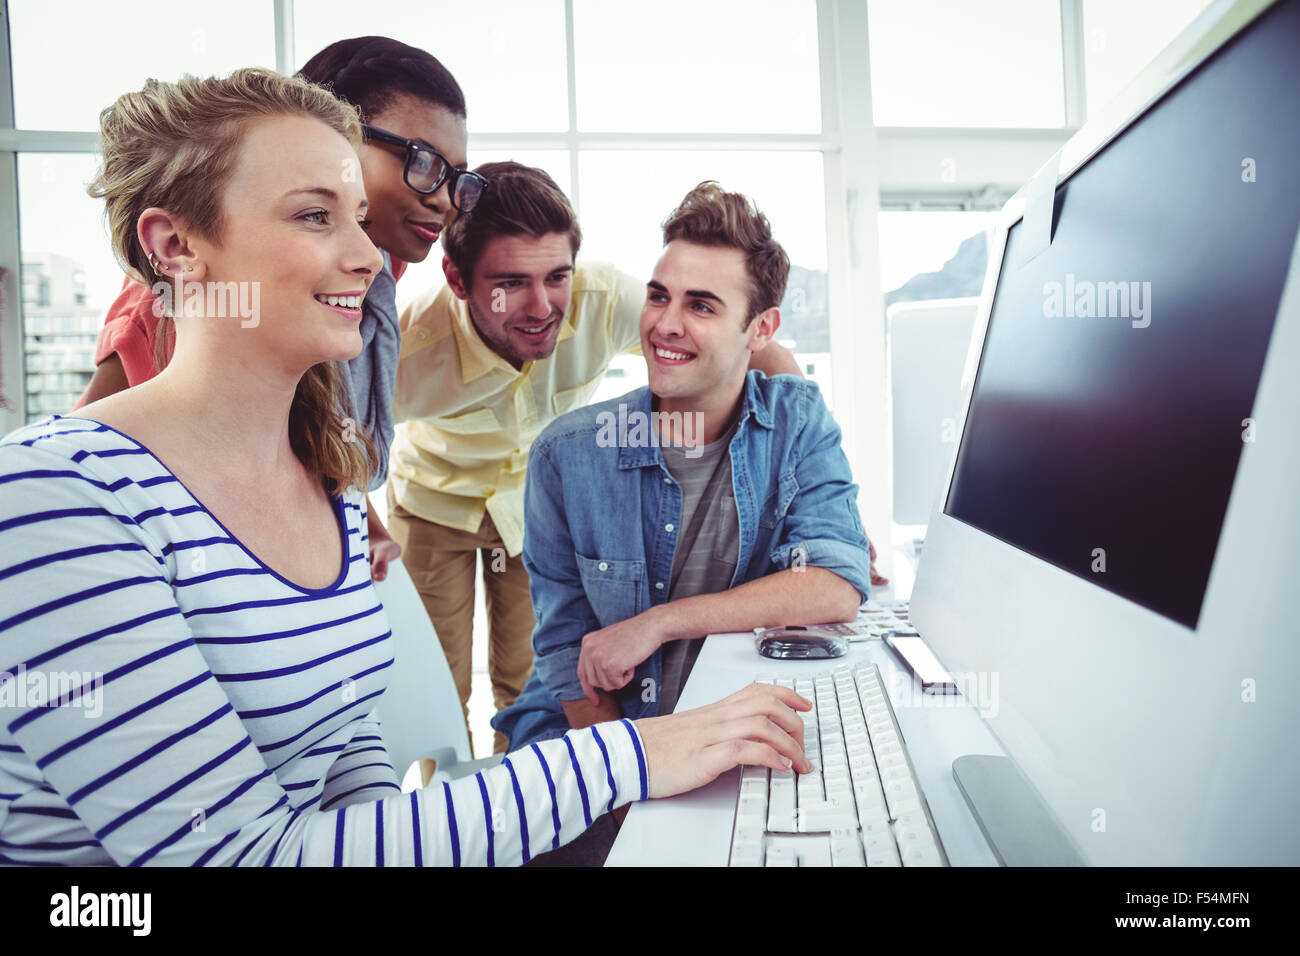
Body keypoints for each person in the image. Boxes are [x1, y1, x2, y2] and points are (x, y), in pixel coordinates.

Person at [0, 69, 811, 867]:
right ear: (176, 246)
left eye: (358, 216)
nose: (366, 255)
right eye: (316, 216)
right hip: (446, 512)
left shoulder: (329, 488)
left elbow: (349, 770)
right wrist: (635, 755)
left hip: (510, 512)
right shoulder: (49, 502)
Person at [492, 182, 873, 864]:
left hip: (720, 725)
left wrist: (661, 621)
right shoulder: (569, 455)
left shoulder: (796, 421)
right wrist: (630, 790)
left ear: (760, 331)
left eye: (702, 305)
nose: (665, 324)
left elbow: (838, 581)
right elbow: (564, 655)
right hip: (587, 739)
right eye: (660, 295)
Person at [389, 163, 805, 756]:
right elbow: (339, 436)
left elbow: (753, 349)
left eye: (557, 277)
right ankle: (454, 823)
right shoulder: (411, 347)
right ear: (457, 279)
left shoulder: (603, 295)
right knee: (442, 691)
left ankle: (524, 797)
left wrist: (811, 485)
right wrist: (370, 528)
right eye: (511, 283)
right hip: (436, 506)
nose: (540, 307)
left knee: (528, 677)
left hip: (528, 511)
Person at [73, 35, 477, 584]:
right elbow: (87, 450)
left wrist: (358, 512)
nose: (444, 198)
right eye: (423, 161)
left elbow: (309, 415)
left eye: (455, 176)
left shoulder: (376, 259)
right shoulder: (172, 293)